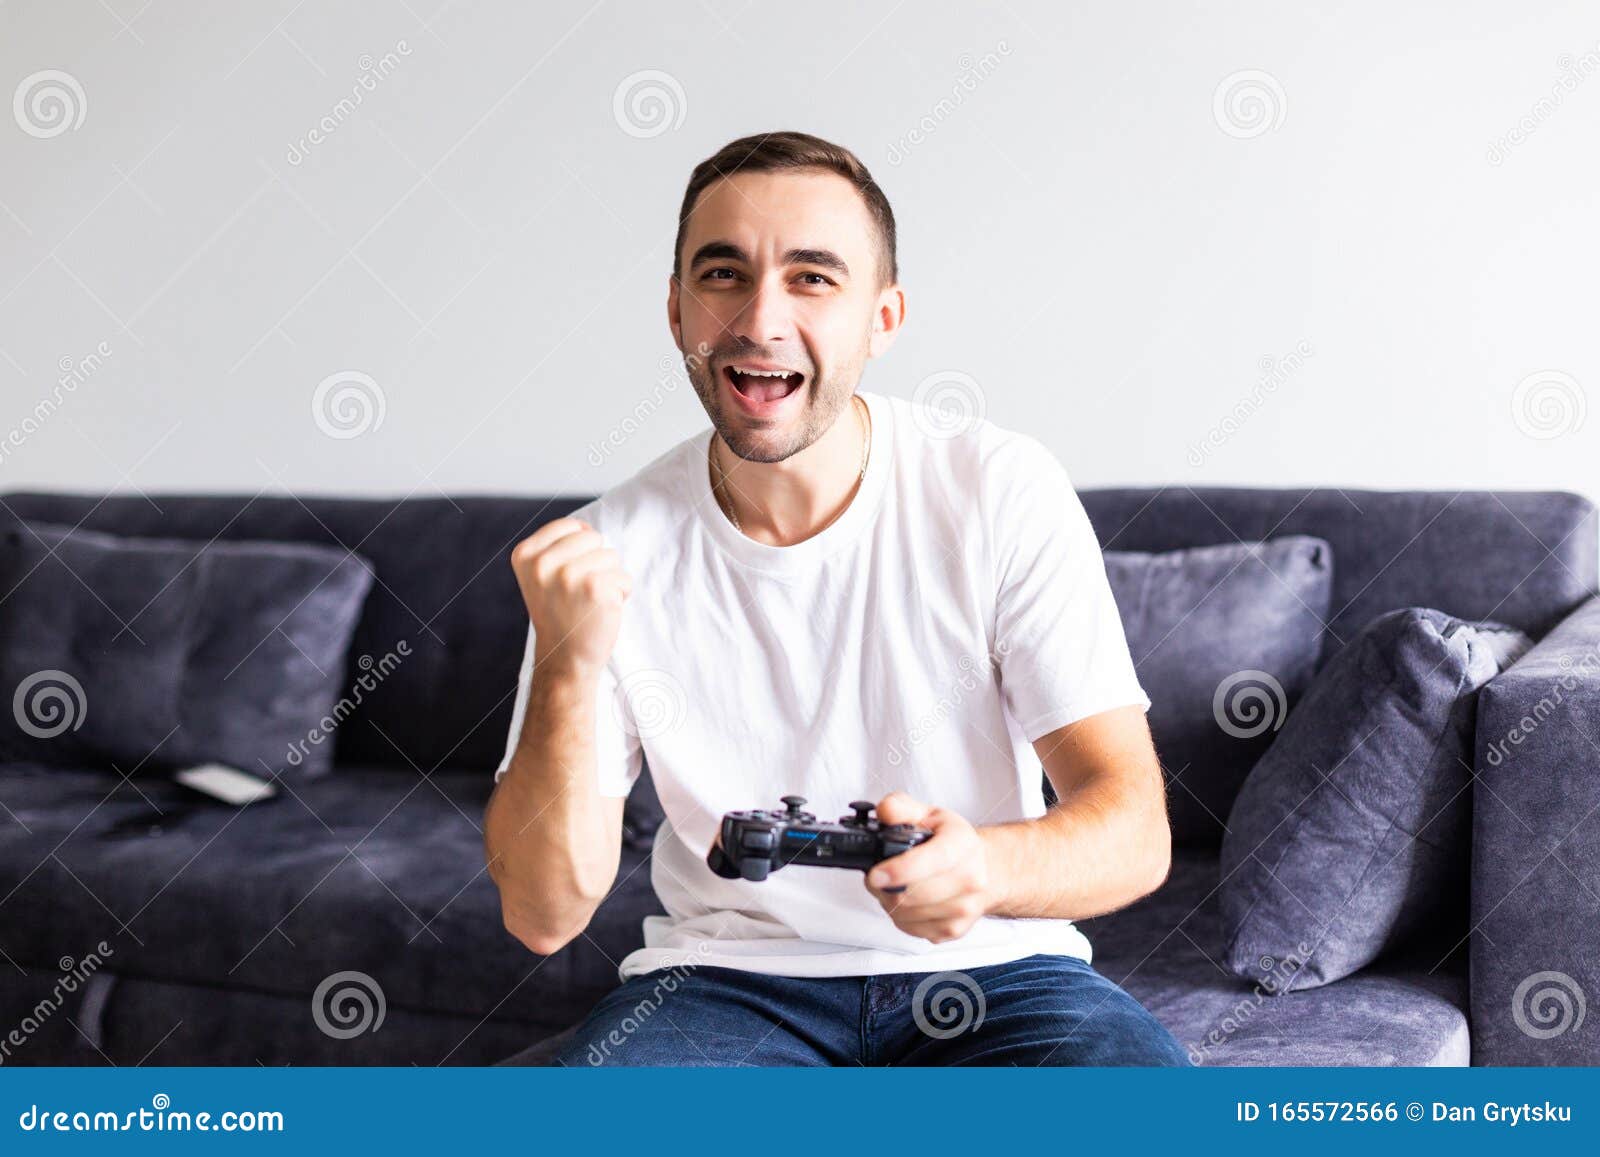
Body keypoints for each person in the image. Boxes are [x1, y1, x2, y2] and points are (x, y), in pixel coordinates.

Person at [484, 131, 1187, 1066]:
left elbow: (1135, 831)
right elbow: (542, 913)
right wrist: (571, 661)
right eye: (723, 274)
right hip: (725, 987)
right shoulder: (606, 549)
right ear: (676, 310)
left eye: (813, 277)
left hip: (998, 969)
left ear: (882, 317)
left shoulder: (999, 487)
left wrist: (987, 865)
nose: (760, 318)